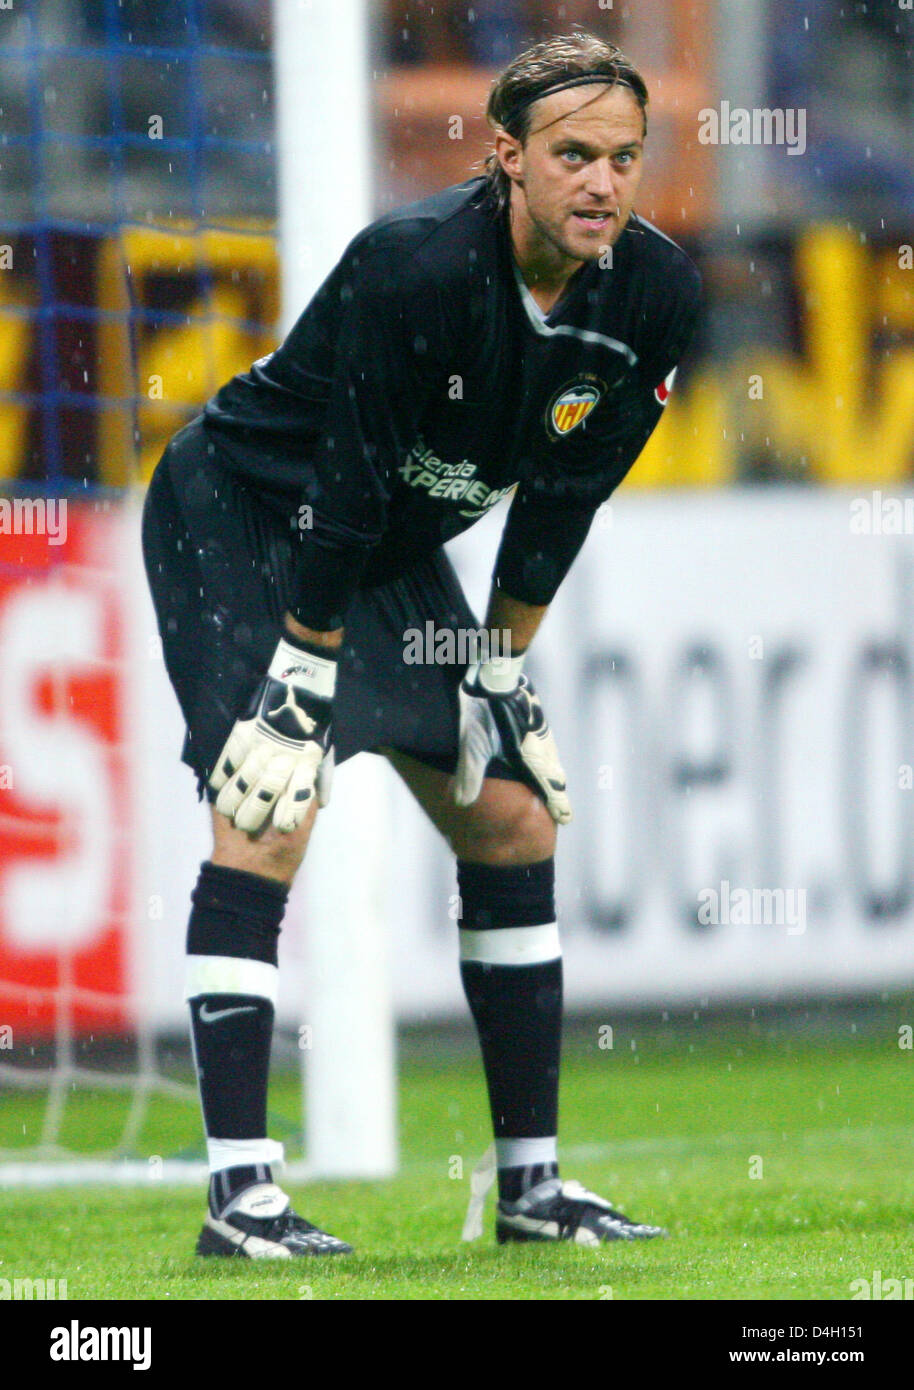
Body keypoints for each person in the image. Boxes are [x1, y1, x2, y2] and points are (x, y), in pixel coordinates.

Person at [142, 31, 701, 1257]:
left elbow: (561, 501)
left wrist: (498, 663)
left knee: (511, 815)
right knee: (270, 810)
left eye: (621, 157)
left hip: (384, 549)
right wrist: (300, 673)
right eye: (570, 156)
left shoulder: (654, 294)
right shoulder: (413, 267)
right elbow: (340, 486)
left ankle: (532, 1189)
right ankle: (240, 1197)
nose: (601, 183)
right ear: (504, 156)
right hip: (246, 514)